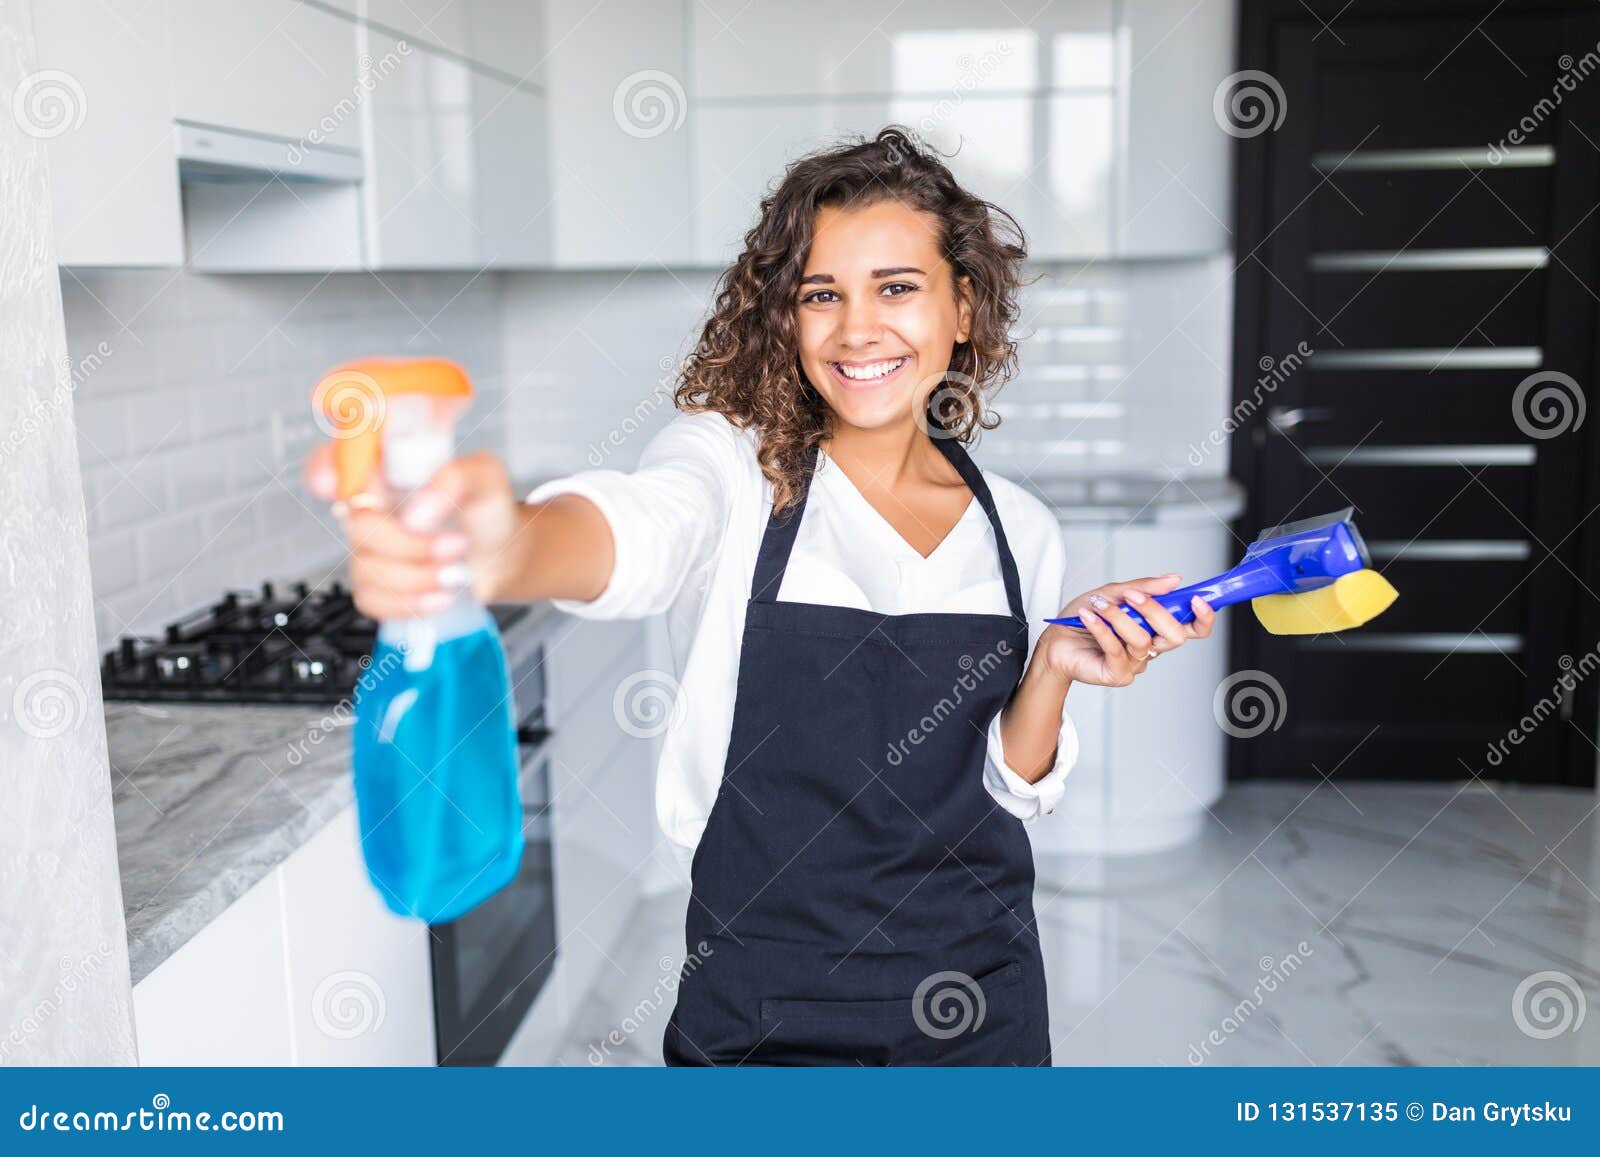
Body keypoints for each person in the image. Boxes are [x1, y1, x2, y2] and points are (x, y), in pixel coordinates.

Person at [305, 126, 1217, 1066]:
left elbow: (1006, 788)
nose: (858, 328)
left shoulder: (1017, 527)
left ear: (963, 307)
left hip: (978, 1005)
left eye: (896, 287)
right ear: (787, 316)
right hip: (761, 1013)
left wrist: (1054, 670)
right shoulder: (736, 472)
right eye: (822, 294)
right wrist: (510, 546)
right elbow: (640, 531)